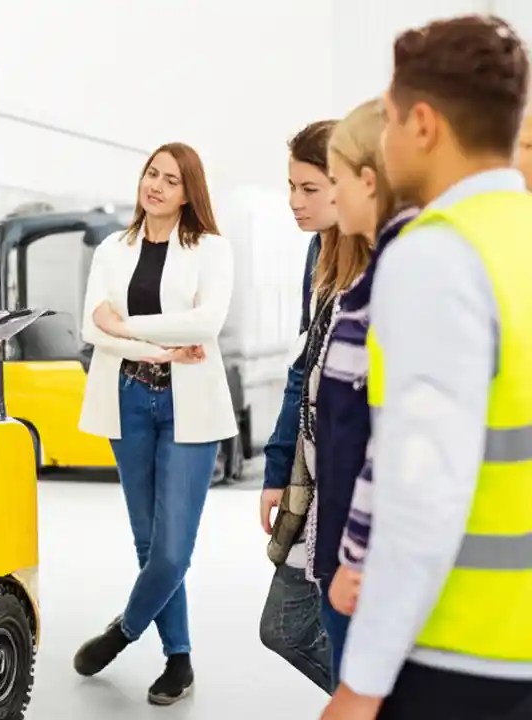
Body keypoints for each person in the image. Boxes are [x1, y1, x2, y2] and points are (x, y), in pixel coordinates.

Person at [322, 15, 532, 720]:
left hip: (459, 651)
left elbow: (423, 492)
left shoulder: (437, 256)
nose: (381, 141)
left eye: (385, 119)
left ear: (422, 124)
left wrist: (361, 684)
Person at [72, 142, 238, 706]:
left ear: (190, 192)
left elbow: (207, 321)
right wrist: (161, 348)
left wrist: (129, 326)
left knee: (171, 549)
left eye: (171, 179)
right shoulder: (112, 249)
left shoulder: (212, 248)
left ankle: (122, 631)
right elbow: (92, 329)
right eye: (151, 173)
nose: (157, 185)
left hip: (189, 407)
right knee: (148, 542)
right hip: (128, 399)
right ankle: (179, 658)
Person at [305, 98, 414, 682]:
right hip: (344, 540)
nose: (328, 197)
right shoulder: (370, 281)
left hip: (369, 561)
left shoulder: (403, 276)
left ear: (368, 181)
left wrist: (357, 555)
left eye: (335, 181)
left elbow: (403, 437)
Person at [257, 119, 337, 694]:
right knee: (284, 626)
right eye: (291, 186)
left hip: (359, 483)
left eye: (308, 189)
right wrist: (276, 470)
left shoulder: (392, 255)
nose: (294, 202)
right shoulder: (318, 249)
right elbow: (302, 366)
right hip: (311, 472)